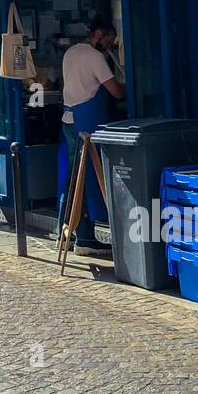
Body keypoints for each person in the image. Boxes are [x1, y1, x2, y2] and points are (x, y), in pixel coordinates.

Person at [61, 20, 125, 257]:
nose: (110, 44)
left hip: (68, 120)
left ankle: (66, 233)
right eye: (109, 38)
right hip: (86, 123)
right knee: (87, 180)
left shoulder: (71, 52)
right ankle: (85, 236)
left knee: (72, 179)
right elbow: (115, 91)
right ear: (99, 34)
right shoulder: (94, 57)